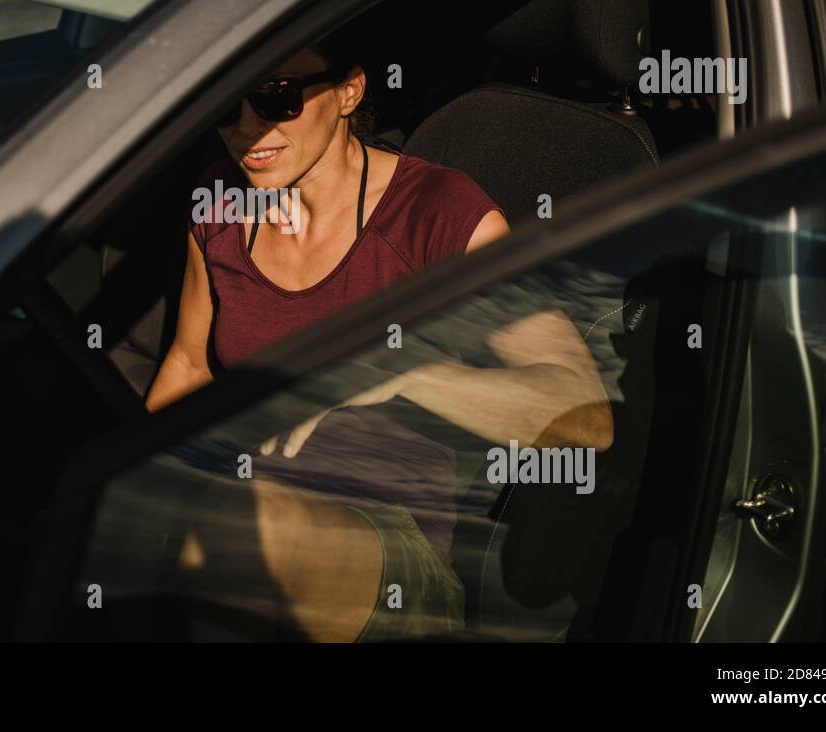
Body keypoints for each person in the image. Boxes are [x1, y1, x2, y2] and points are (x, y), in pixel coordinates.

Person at [144, 36, 612, 642]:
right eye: (224, 106)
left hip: (387, 550)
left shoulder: (438, 215)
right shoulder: (220, 204)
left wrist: (399, 370)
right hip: (233, 498)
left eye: (277, 98)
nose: (247, 128)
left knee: (237, 530)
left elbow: (587, 418)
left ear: (349, 90)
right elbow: (188, 366)